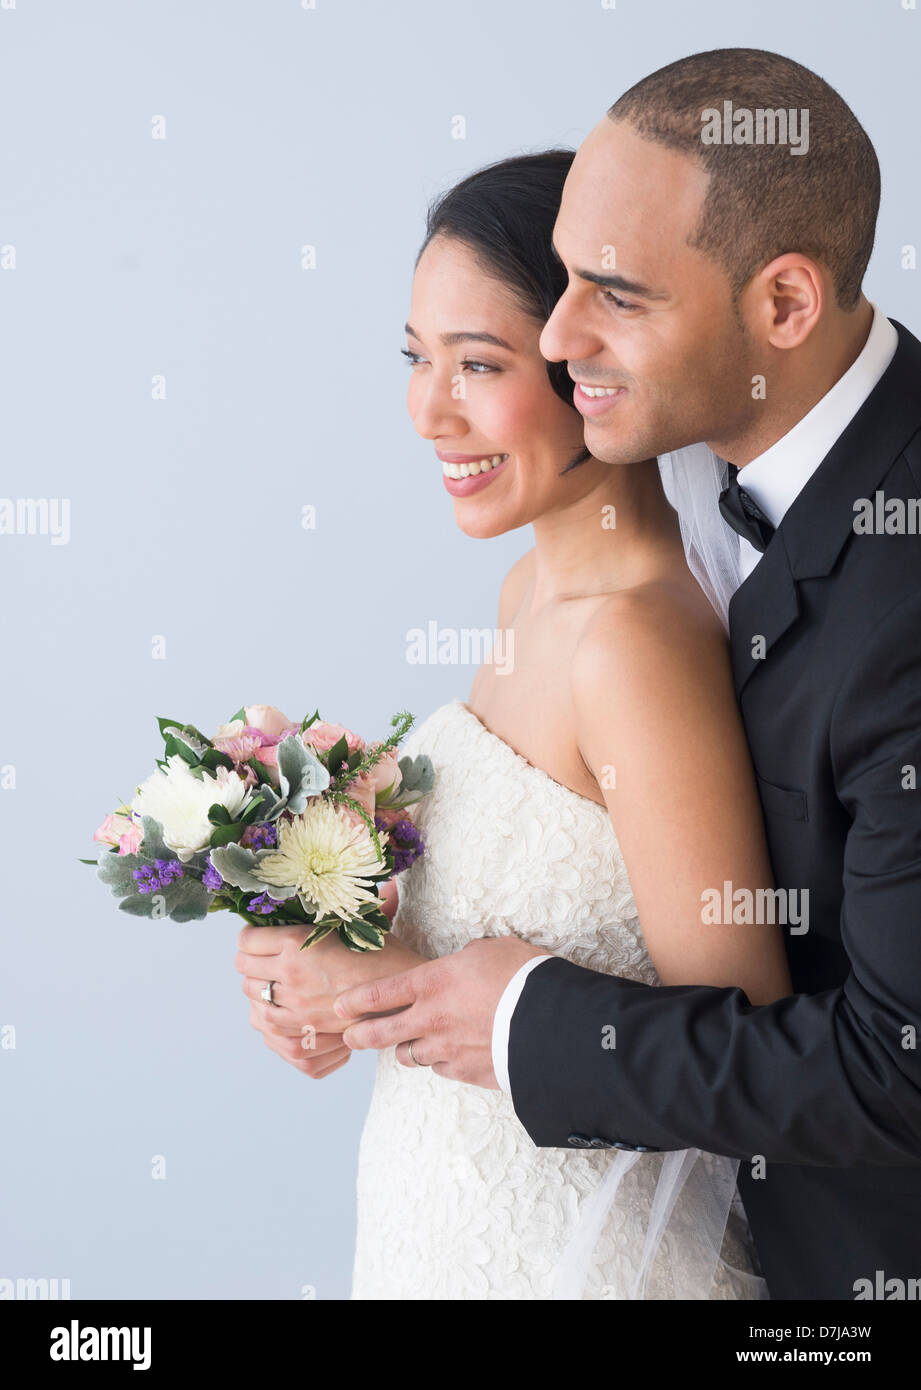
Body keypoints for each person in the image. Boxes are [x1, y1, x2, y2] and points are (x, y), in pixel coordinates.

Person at [334, 49, 921, 1301]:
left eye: (611, 292)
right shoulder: (684, 491)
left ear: (785, 307)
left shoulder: (851, 598)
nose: (558, 339)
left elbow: (889, 1065)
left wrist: (497, 1017)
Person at [237, 145, 792, 1299]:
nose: (427, 409)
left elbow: (743, 1050)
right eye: (414, 357)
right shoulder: (532, 591)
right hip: (443, 1218)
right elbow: (488, 954)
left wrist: (405, 985)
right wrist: (331, 955)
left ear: (595, 368)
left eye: (476, 363)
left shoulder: (632, 642)